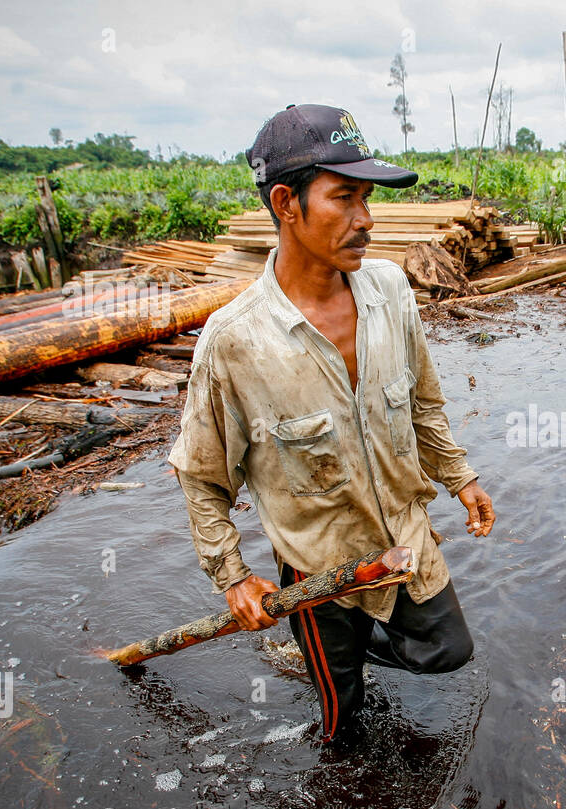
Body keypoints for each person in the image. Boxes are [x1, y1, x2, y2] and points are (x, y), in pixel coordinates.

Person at [168, 104, 496, 743]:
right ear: (286, 203)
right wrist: (234, 577)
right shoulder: (235, 342)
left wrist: (460, 479)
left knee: (447, 651)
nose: (365, 220)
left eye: (366, 199)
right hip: (318, 573)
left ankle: (321, 652)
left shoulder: (391, 291)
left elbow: (423, 402)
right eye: (344, 198)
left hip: (402, 542)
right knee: (342, 725)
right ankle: (321, 663)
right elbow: (203, 477)